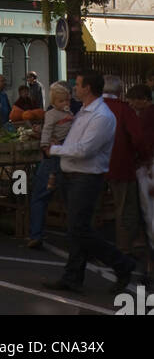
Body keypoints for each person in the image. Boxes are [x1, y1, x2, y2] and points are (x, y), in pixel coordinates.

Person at [44, 70, 136, 294]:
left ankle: (122, 263)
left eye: (77, 84)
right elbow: (76, 143)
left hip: (85, 178)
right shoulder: (84, 112)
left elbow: (85, 150)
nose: (74, 88)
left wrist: (54, 149)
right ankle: (72, 277)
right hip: (72, 176)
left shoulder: (101, 116)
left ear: (88, 88)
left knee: (80, 229)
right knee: (76, 230)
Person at [102, 75, 148, 257]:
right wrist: (142, 157)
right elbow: (137, 138)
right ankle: (123, 248)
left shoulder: (91, 108)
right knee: (124, 209)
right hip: (121, 164)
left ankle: (90, 248)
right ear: (119, 91)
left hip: (95, 166)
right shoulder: (124, 110)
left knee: (94, 208)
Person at [27, 82, 74, 249]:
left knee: (47, 195)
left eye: (67, 100)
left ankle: (73, 236)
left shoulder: (69, 113)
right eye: (62, 101)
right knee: (44, 194)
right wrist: (46, 145)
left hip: (63, 153)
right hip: (54, 154)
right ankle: (36, 235)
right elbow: (47, 131)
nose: (65, 104)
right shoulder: (52, 114)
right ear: (54, 101)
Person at [127, 84, 154, 289]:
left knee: (150, 220)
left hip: (149, 171)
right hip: (148, 168)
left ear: (143, 99)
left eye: (134, 100)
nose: (131, 104)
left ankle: (150, 270)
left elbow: (143, 142)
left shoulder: (146, 115)